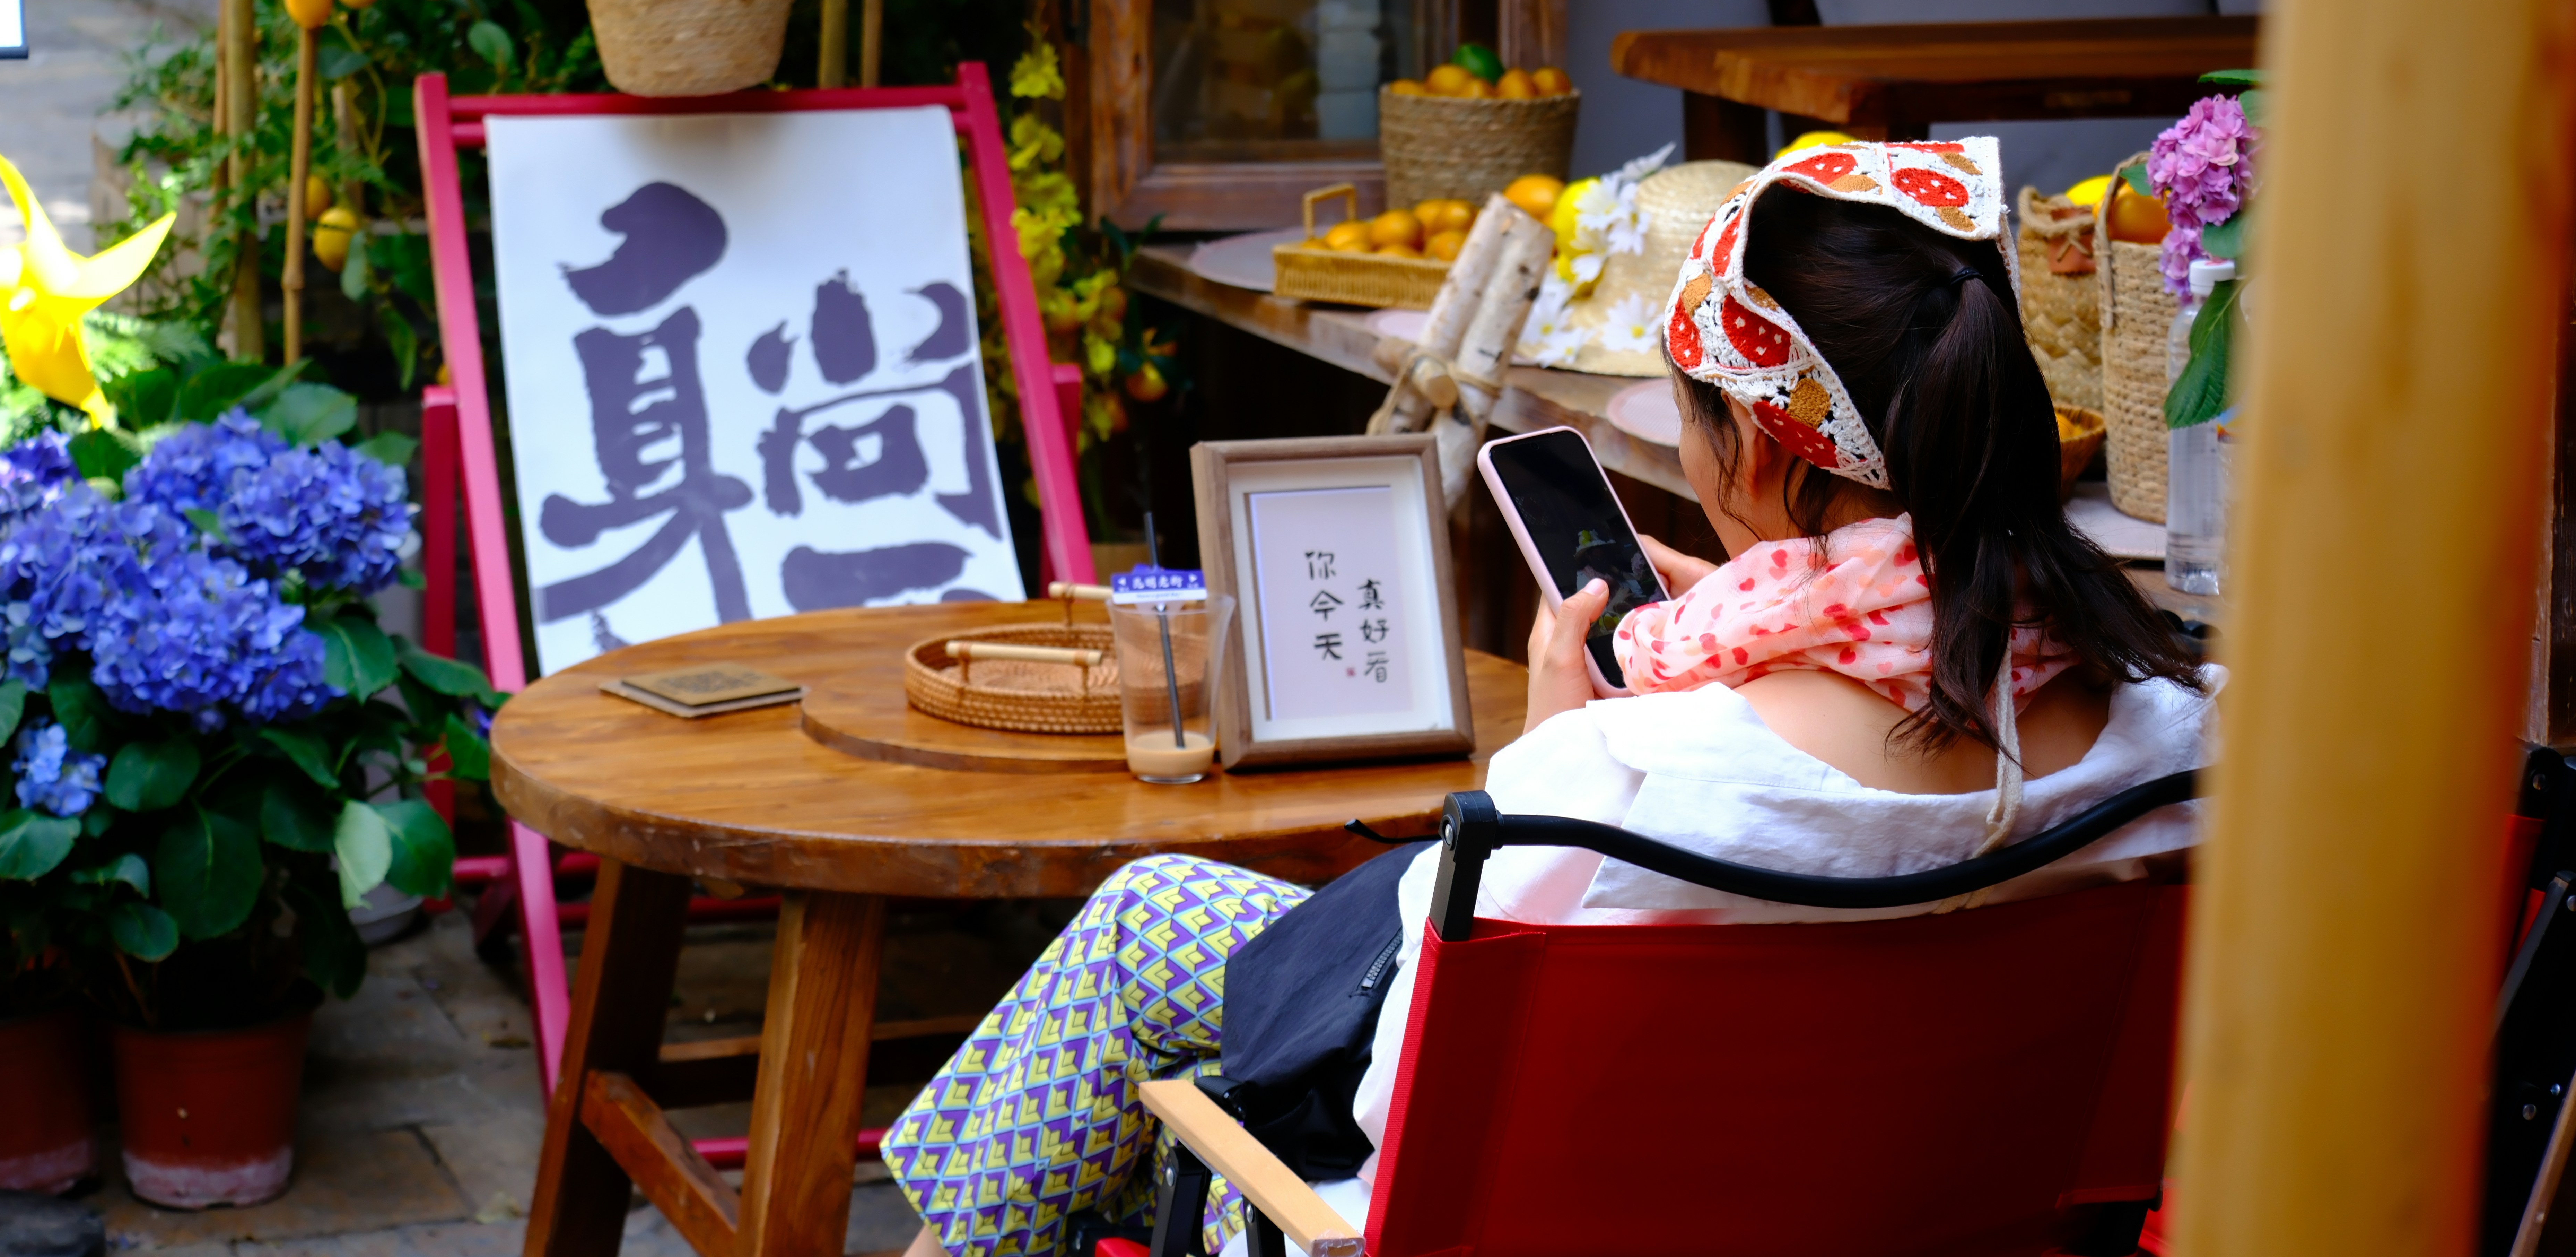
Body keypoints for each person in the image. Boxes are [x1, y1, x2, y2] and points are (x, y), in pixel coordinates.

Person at [882, 137, 2217, 1257]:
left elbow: (1411, 1114)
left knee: (1140, 976)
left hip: (1533, 1213)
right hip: (1889, 1200)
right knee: (1147, 921)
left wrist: (1548, 753)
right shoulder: (2161, 740)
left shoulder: (1638, 779)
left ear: (1744, 447)